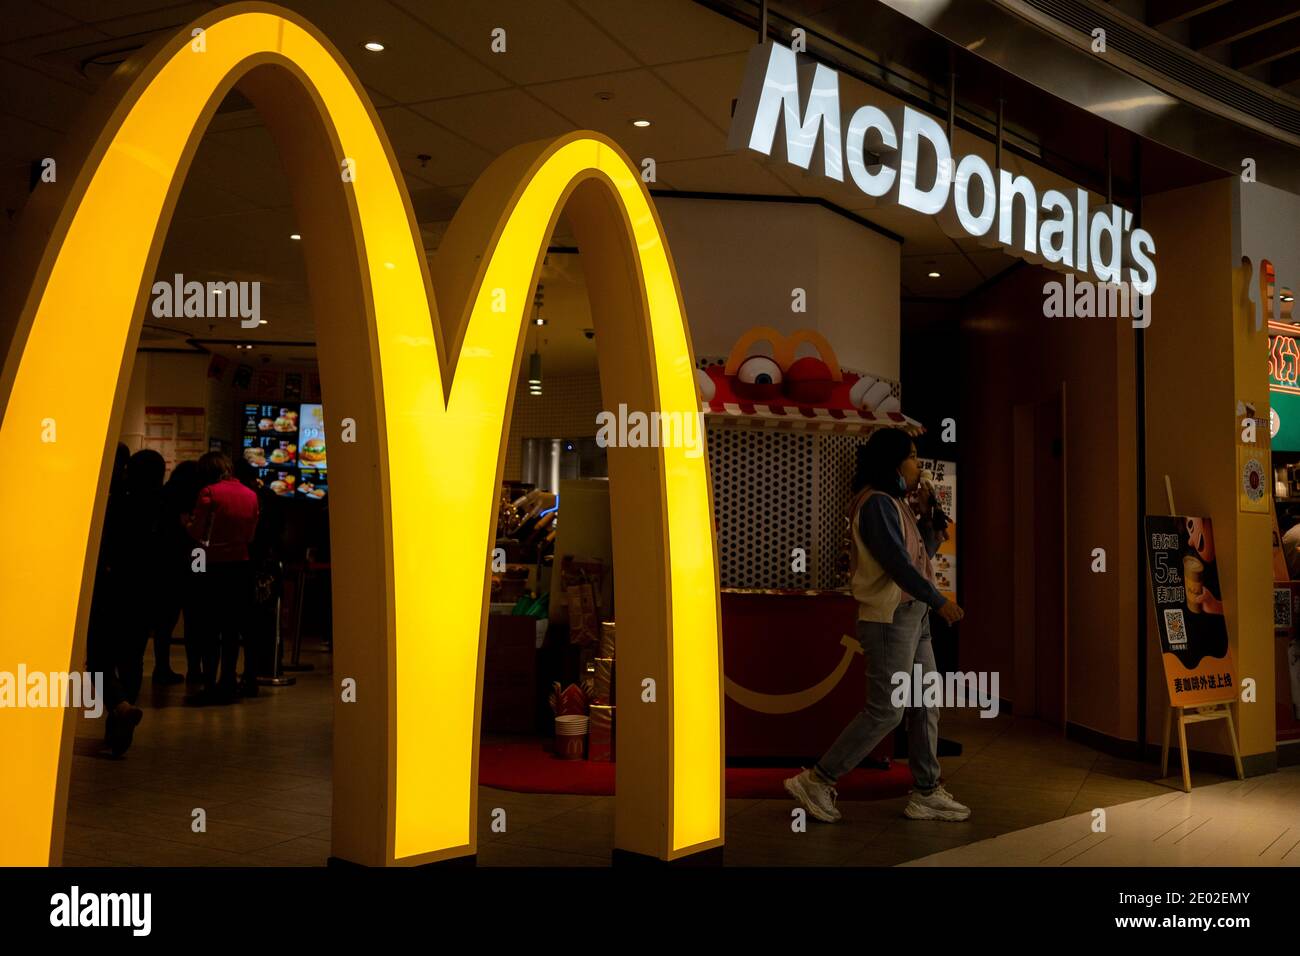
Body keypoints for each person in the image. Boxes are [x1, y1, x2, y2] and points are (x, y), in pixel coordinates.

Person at [784, 429, 971, 823]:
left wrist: (931, 524)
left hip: (912, 616)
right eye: (914, 457)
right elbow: (896, 564)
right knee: (888, 708)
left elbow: (916, 558)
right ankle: (818, 779)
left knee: (924, 703)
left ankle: (926, 791)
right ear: (894, 461)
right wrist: (940, 602)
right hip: (890, 619)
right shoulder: (876, 504)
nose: (918, 466)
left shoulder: (897, 503)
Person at [183, 452, 259, 705]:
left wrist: (186, 524)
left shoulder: (209, 492)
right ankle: (228, 681)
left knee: (209, 628)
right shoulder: (250, 495)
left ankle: (209, 683)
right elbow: (251, 534)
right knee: (231, 629)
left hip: (211, 565)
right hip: (241, 565)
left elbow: (198, 532)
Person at [86, 443, 145, 756]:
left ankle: (119, 708)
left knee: (98, 658)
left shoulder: (108, 503)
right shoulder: (154, 504)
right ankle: (120, 721)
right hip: (143, 594)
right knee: (132, 659)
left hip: (109, 592)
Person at [153, 460, 204, 687]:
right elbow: (199, 538)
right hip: (193, 558)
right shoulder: (198, 498)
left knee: (165, 621)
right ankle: (195, 669)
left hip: (166, 564)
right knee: (194, 619)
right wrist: (201, 569)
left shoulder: (163, 495)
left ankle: (161, 667)